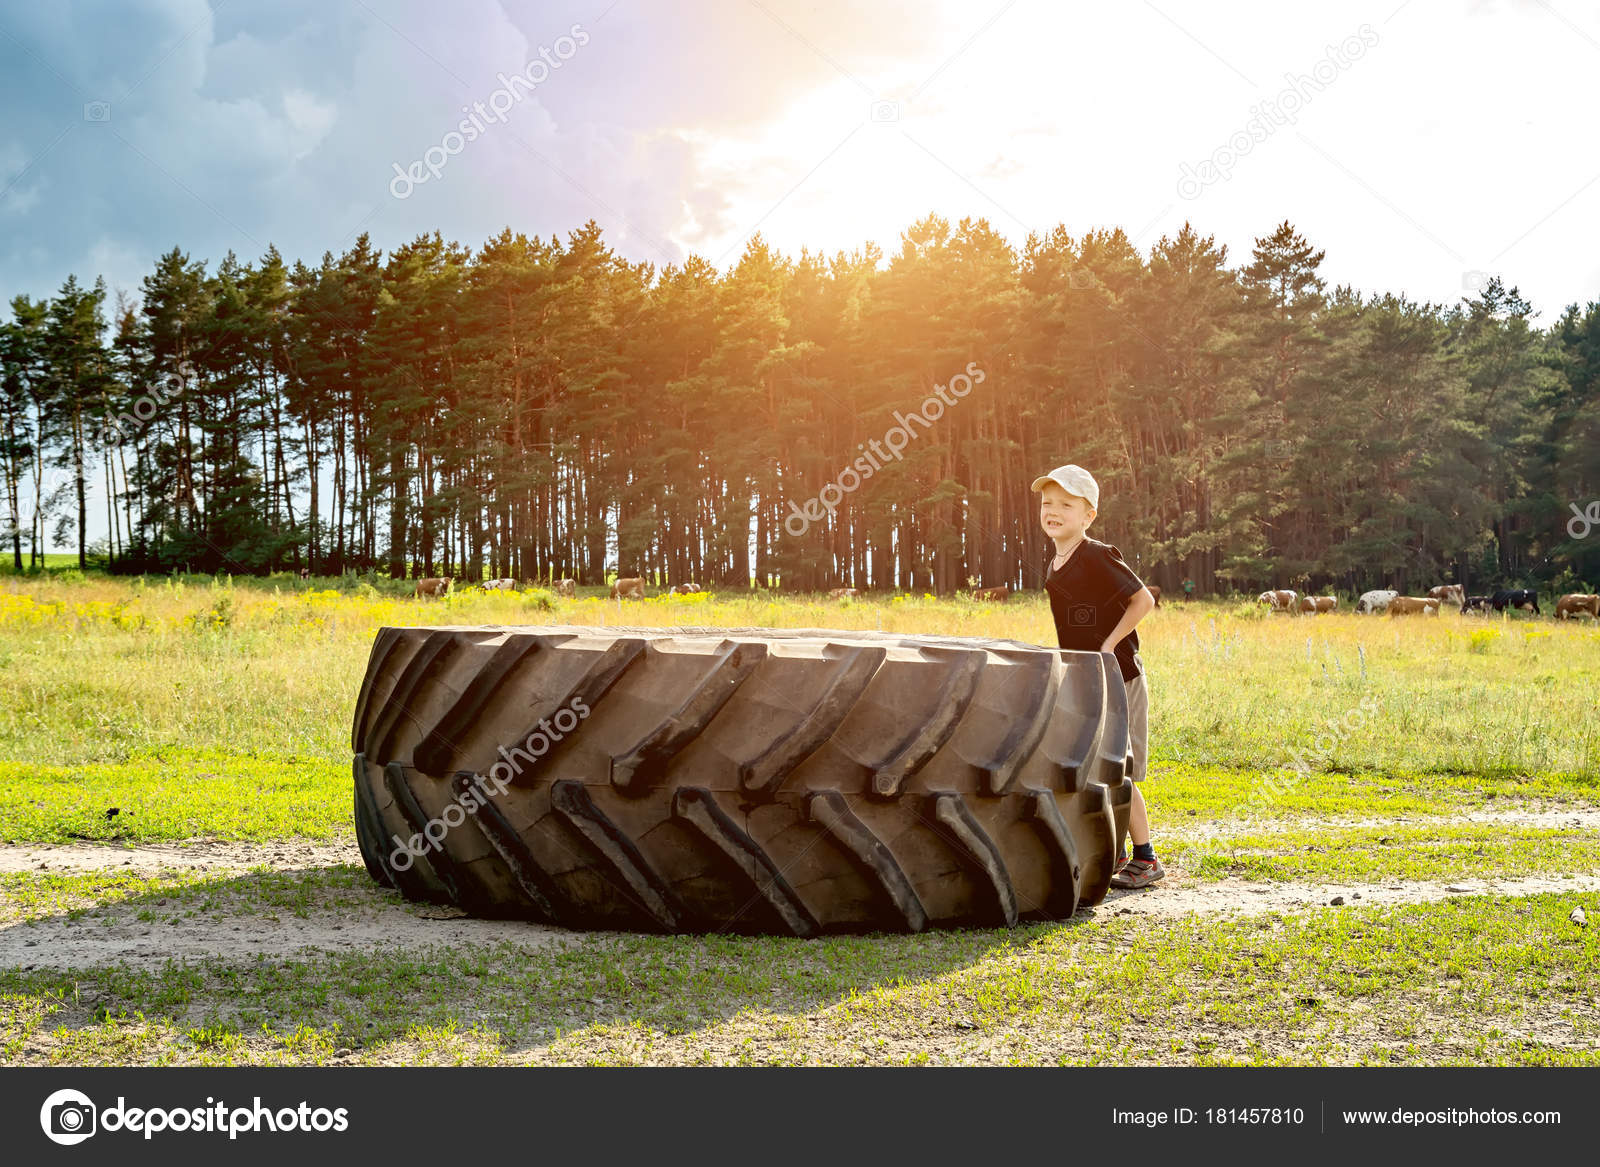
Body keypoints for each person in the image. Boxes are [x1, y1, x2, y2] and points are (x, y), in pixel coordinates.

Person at [1031, 463, 1162, 889]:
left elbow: (1142, 601)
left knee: (1116, 768)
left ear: (1088, 516)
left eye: (1066, 505)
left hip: (1117, 675)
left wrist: (1107, 645)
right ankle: (1114, 850)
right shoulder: (1057, 560)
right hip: (1086, 676)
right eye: (1047, 503)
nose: (1053, 511)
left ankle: (1145, 859)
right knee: (1092, 765)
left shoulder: (1096, 554)